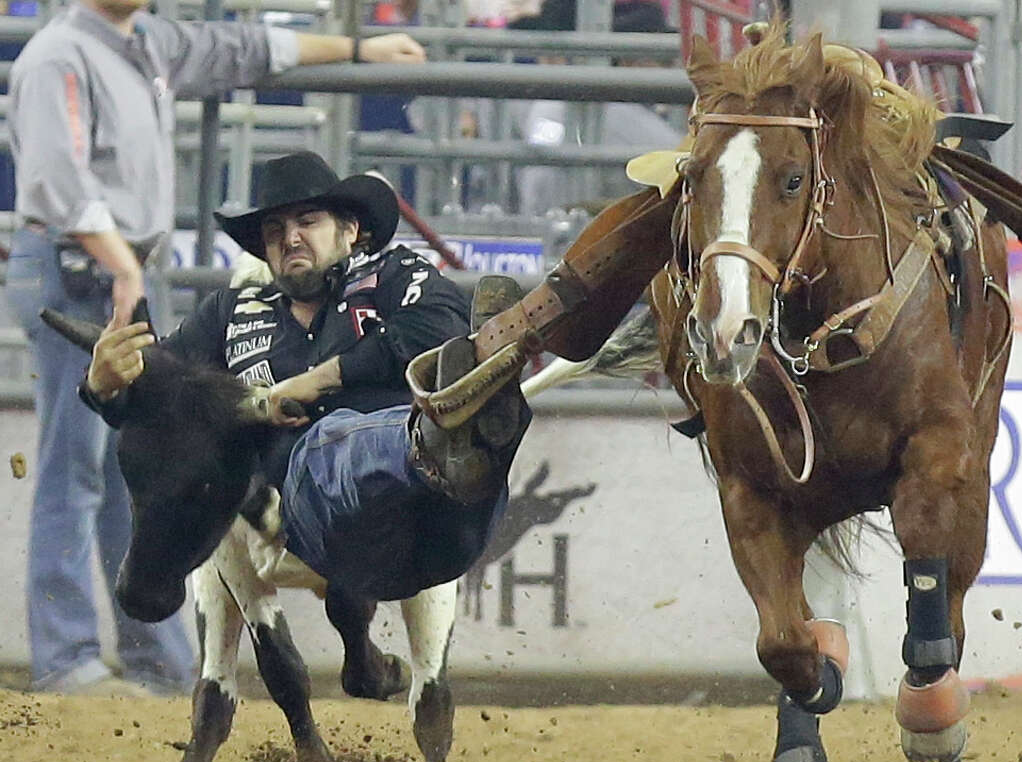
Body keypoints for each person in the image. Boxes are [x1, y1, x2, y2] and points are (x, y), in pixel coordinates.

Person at [5, 0, 425, 695]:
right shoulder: (61, 56)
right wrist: (123, 266)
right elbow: (57, 180)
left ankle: (150, 657)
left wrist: (358, 50)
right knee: (75, 466)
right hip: (86, 265)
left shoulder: (145, 41)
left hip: (116, 269)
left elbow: (245, 48)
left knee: (131, 463)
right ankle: (68, 655)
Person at [82, 151, 529, 610]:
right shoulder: (230, 314)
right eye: (274, 231)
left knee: (451, 372)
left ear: (350, 231)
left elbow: (442, 328)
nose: (290, 238)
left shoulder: (393, 274)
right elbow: (160, 393)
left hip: (445, 523)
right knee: (330, 441)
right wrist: (104, 385)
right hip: (333, 526)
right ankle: (452, 431)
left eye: (308, 221)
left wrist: (323, 378)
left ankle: (474, 427)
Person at [508, 0, 683, 215]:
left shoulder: (543, 103)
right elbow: (682, 174)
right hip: (590, 225)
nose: (669, 69)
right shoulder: (628, 119)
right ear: (632, 62)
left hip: (540, 220)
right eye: (663, 61)